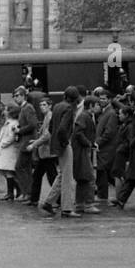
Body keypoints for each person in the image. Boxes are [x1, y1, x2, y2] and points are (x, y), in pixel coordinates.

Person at [43, 86, 81, 216]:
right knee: (67, 178)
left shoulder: (57, 106)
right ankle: (67, 209)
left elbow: (52, 127)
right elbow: (62, 129)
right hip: (64, 144)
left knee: (62, 175)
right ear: (75, 99)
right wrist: (65, 143)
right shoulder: (69, 108)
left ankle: (49, 202)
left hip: (55, 144)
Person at [69, 92, 100, 213]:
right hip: (82, 152)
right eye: (97, 104)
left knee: (82, 178)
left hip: (81, 151)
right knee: (89, 177)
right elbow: (79, 133)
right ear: (91, 105)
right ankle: (88, 203)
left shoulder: (85, 116)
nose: (99, 106)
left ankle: (79, 203)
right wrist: (89, 143)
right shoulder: (84, 116)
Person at [26, 96, 56, 206]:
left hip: (47, 153)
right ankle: (34, 199)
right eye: (40, 105)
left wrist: (34, 144)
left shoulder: (49, 117)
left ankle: (57, 199)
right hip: (44, 152)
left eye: (44, 105)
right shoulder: (46, 117)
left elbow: (47, 136)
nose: (42, 107)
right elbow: (44, 135)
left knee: (51, 177)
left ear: (50, 106)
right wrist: (36, 140)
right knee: (39, 176)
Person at [0, 105, 23, 199]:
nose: (4, 112)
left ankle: (13, 191)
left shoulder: (13, 123)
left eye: (6, 110)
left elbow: (12, 136)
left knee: (8, 171)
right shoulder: (8, 122)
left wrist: (3, 143)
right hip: (5, 150)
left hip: (8, 150)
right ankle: (15, 190)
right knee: (4, 170)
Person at [95, 92, 121, 201]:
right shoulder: (104, 112)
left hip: (107, 147)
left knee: (103, 170)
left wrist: (99, 142)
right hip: (104, 146)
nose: (101, 100)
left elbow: (109, 132)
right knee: (106, 171)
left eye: (104, 99)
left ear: (109, 100)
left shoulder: (111, 113)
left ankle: (102, 195)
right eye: (100, 99)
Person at [14, 88, 38, 199]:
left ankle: (27, 192)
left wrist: (19, 130)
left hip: (27, 142)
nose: (15, 97)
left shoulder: (28, 108)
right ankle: (29, 193)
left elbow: (32, 124)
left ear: (24, 96)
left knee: (19, 167)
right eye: (14, 95)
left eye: (18, 95)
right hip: (26, 141)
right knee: (27, 168)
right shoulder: (24, 108)